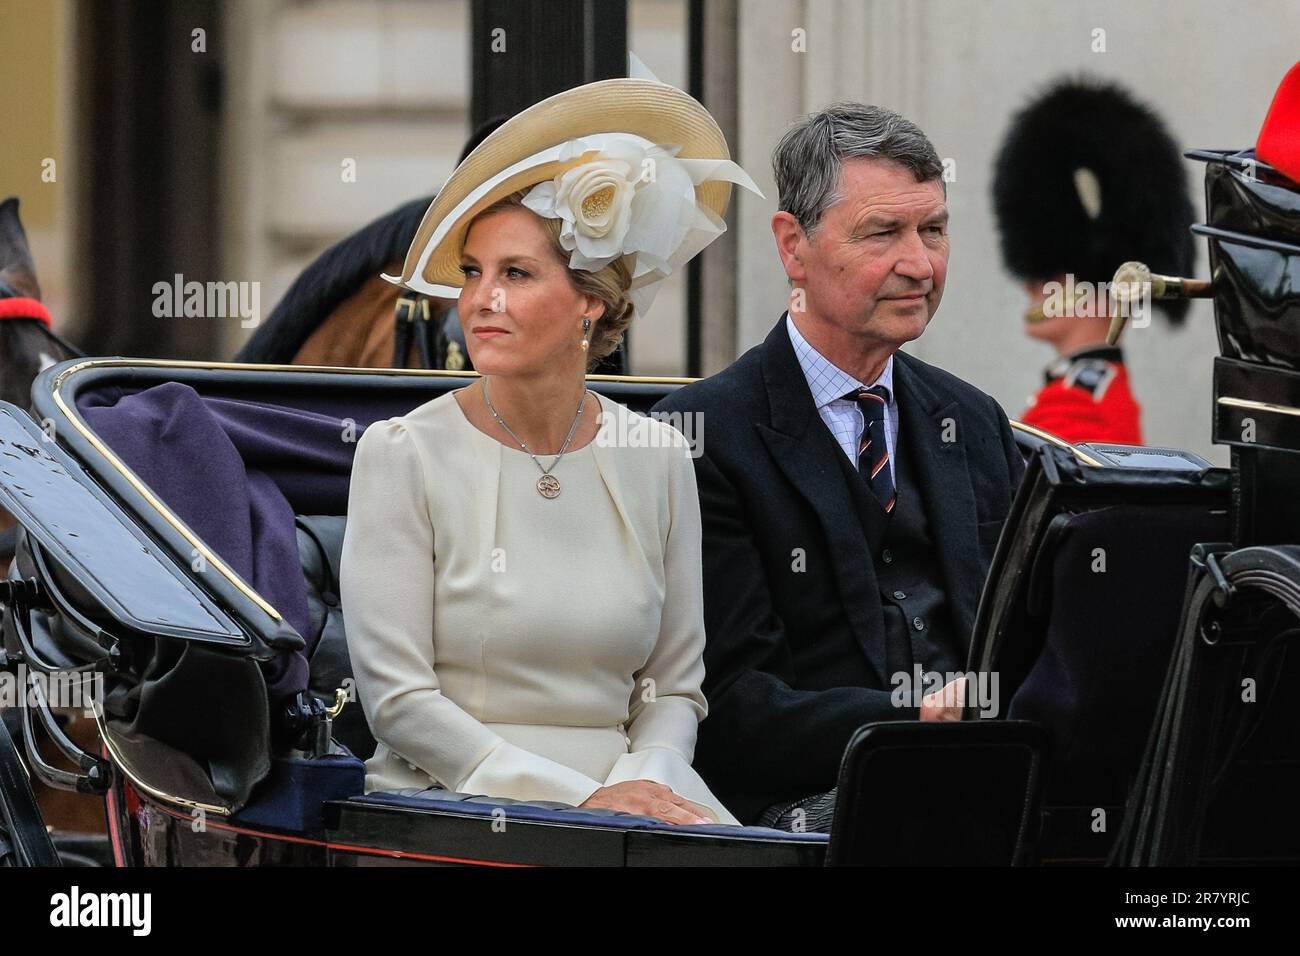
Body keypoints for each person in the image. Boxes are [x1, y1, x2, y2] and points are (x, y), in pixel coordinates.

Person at [339, 76, 761, 827]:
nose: (479, 301)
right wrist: (582, 802)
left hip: (636, 807)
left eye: (516, 274)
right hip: (453, 807)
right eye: (473, 272)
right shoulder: (401, 454)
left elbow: (673, 687)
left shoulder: (659, 454)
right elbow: (400, 705)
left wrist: (648, 786)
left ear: (591, 300)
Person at [652, 103, 1024, 831]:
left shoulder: (973, 422)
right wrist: (917, 716)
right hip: (804, 813)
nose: (920, 263)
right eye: (884, 232)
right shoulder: (698, 437)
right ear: (794, 246)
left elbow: (1025, 639)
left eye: (935, 230)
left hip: (996, 792)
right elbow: (726, 704)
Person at [991, 78, 1196, 446]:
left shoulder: (1079, 410)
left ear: (1098, 282)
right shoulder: (1084, 396)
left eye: (1050, 273)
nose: (1031, 285)